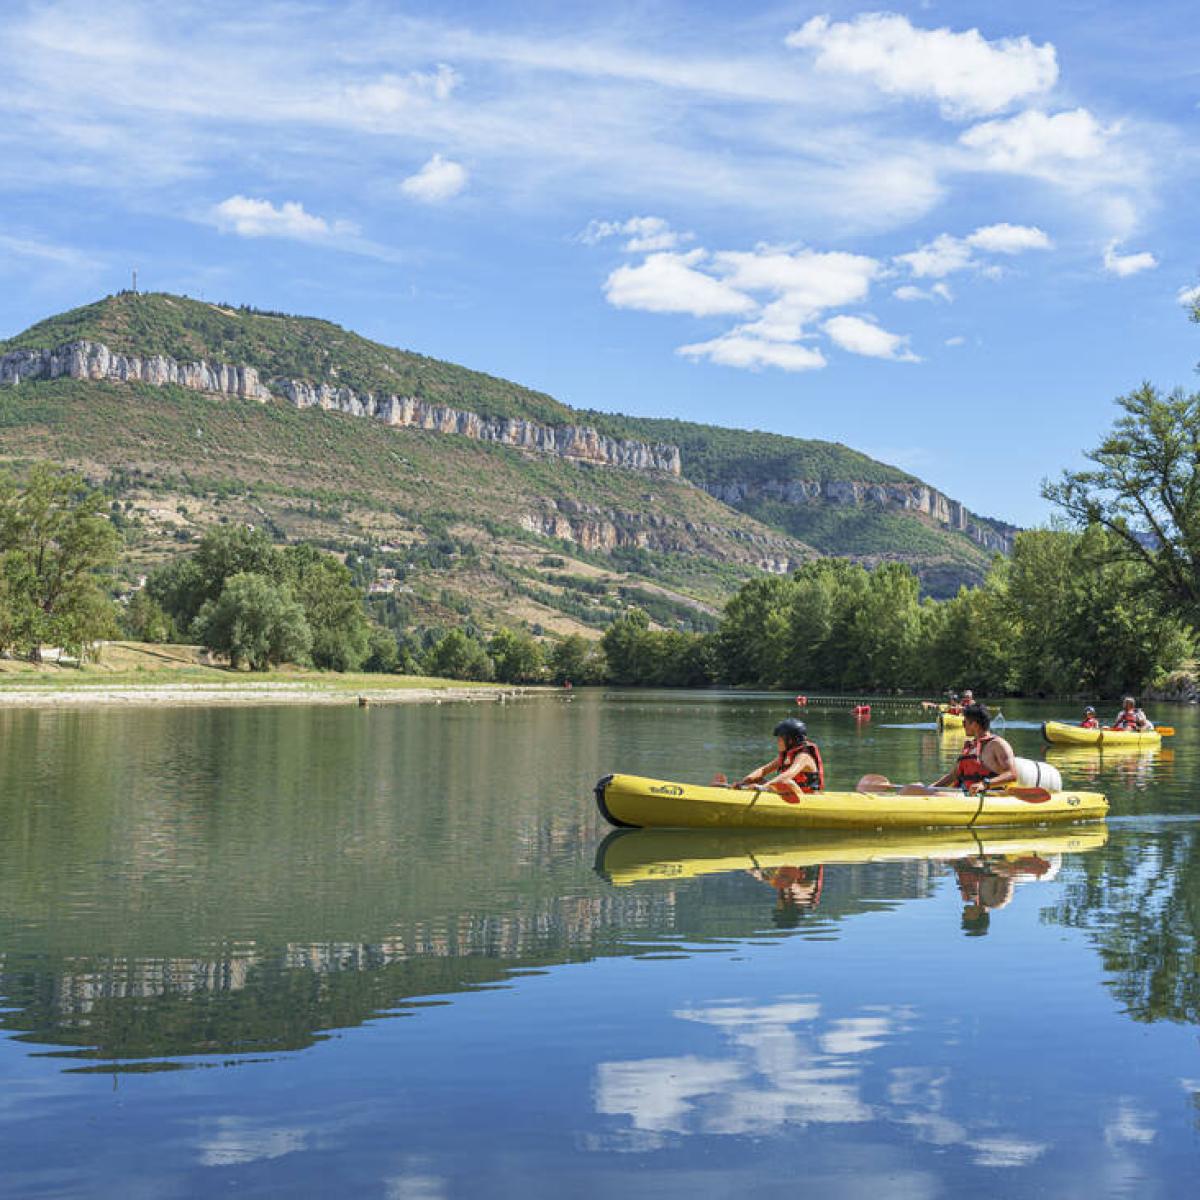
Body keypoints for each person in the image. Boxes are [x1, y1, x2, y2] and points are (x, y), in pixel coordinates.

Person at [932, 703, 1017, 795]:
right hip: (964, 795)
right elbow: (952, 776)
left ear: (975, 724)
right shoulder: (970, 746)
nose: (963, 726)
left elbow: (1012, 775)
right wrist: (930, 788)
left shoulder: (998, 745)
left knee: (922, 791)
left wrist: (984, 784)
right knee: (916, 787)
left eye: (964, 722)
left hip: (988, 796)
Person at [736, 718, 824, 795]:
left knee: (787, 782)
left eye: (780, 738)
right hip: (793, 794)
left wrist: (763, 787)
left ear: (790, 740)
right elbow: (763, 770)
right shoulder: (787, 757)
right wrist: (743, 782)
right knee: (757, 779)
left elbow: (786, 776)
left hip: (809, 798)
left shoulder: (804, 757)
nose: (777, 741)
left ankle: (763, 791)